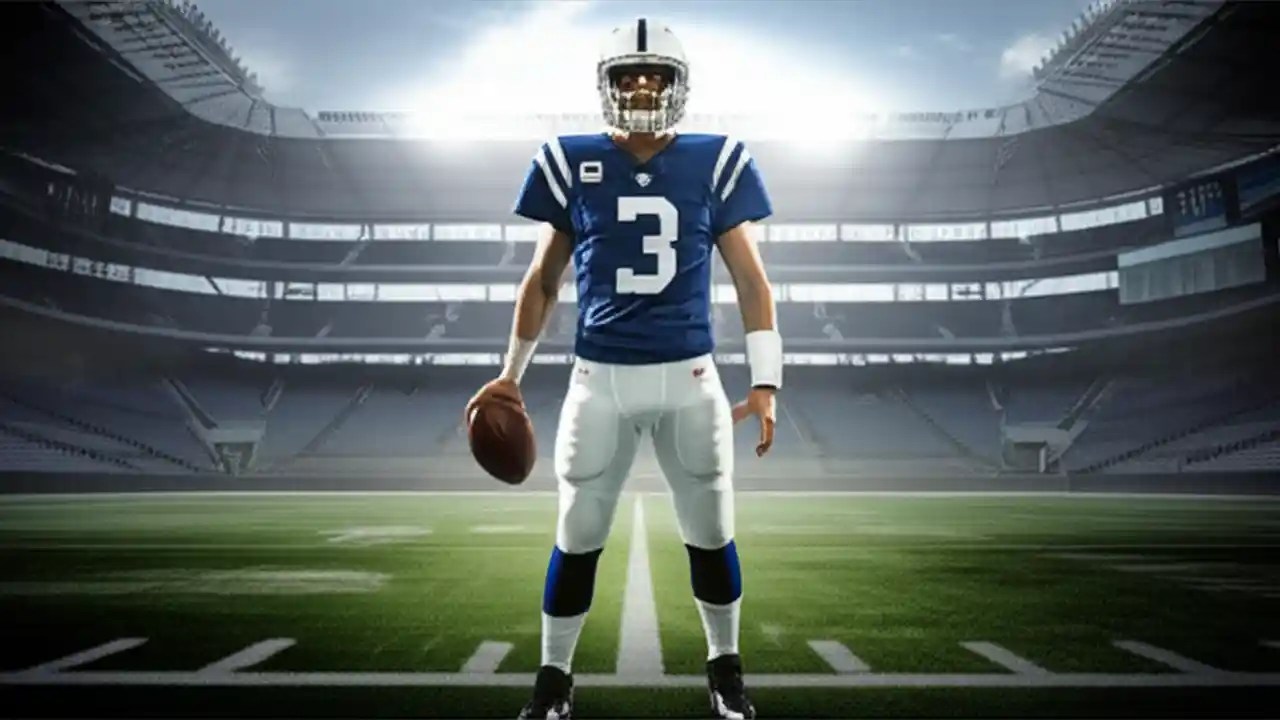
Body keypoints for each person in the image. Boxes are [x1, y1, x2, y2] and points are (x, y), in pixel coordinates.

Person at [465, 17, 781, 720]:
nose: (642, 87)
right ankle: (552, 684)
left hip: (691, 379)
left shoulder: (718, 159)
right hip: (598, 380)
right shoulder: (567, 158)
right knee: (577, 536)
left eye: (656, 76)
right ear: (605, 86)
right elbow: (541, 280)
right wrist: (510, 372)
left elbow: (752, 280)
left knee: (711, 530)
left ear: (679, 85)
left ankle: (725, 673)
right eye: (628, 76)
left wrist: (766, 379)